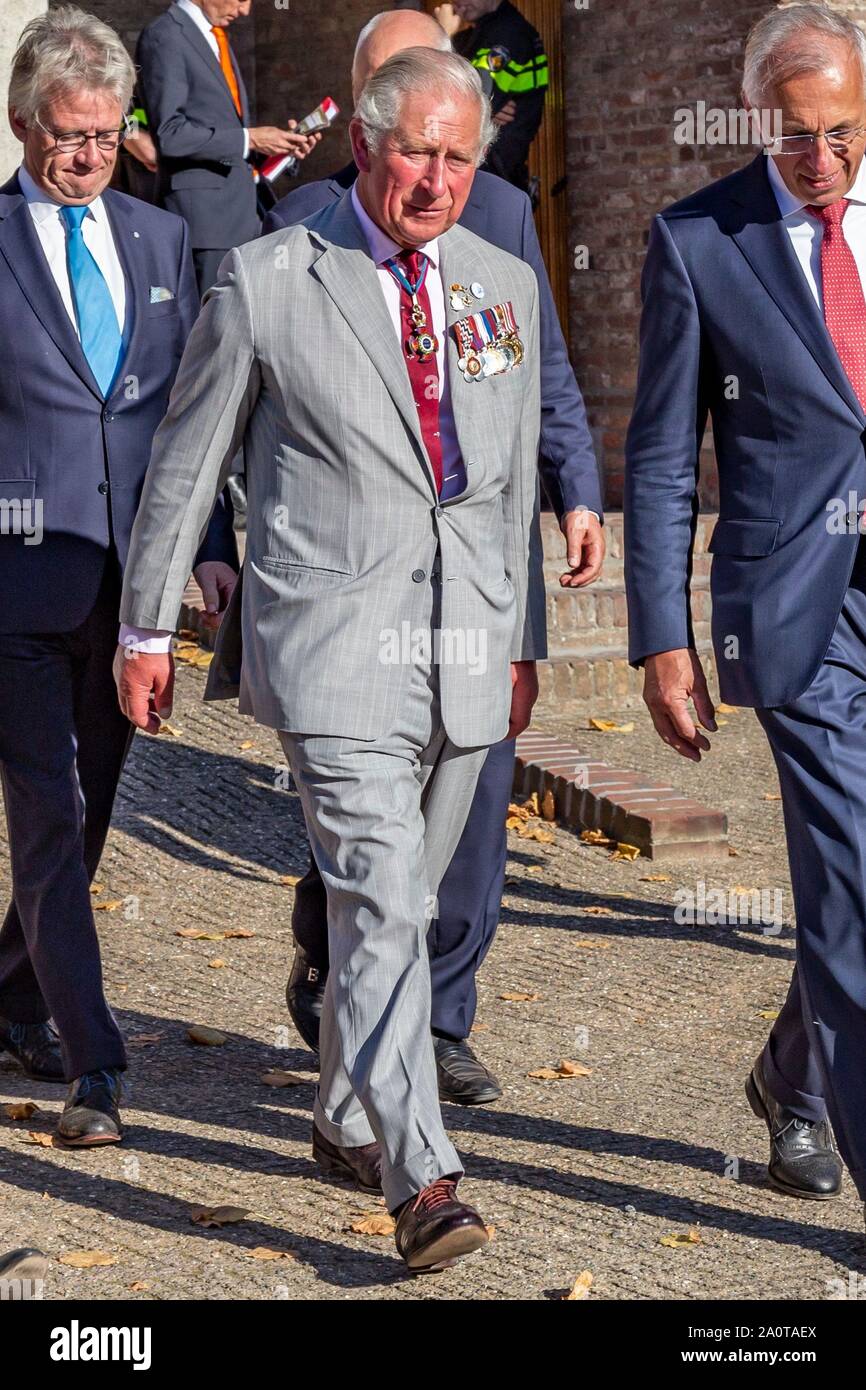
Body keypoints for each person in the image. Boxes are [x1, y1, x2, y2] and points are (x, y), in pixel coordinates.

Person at [116, 47, 544, 1272]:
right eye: (418, 150)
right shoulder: (266, 279)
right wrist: (148, 626)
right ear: (364, 143)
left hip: (461, 646)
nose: (438, 179)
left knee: (396, 907)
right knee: (378, 894)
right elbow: (185, 465)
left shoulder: (503, 285)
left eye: (460, 157)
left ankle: (343, 1110)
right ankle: (423, 1175)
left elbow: (504, 489)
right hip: (331, 645)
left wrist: (517, 642)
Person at [263, 7, 604, 1104]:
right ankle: (349, 1016)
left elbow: (535, 376)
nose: (434, 166)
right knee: (365, 844)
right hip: (355, 597)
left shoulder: (499, 213)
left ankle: (439, 1015)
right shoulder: (299, 224)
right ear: (364, 123)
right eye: (408, 122)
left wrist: (576, 489)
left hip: (477, 581)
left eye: (454, 133)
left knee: (469, 804)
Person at [623, 1, 866, 1217]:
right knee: (848, 878)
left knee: (854, 898)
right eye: (792, 138)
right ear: (751, 118)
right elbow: (664, 457)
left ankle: (793, 1077)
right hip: (792, 610)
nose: (819, 162)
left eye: (839, 134)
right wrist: (661, 636)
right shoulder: (697, 241)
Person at [0, 5, 235, 1147]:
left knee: (87, 817)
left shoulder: (152, 241)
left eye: (105, 133)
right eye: (66, 135)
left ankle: (10, 987)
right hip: (18, 592)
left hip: (130, 594)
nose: (88, 155)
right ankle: (94, 1060)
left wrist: (211, 548)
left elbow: (191, 419)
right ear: (22, 124)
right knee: (47, 817)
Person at [136, 0, 319, 295]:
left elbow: (222, 130)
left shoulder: (215, 34)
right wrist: (251, 138)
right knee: (209, 330)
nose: (246, 10)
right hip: (205, 225)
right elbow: (170, 135)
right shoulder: (165, 35)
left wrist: (279, 146)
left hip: (244, 215)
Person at [437, 0, 548, 194]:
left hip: (493, 177)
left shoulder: (509, 33)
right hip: (480, 171)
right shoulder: (474, 35)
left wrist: (442, 38)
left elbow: (469, 104)